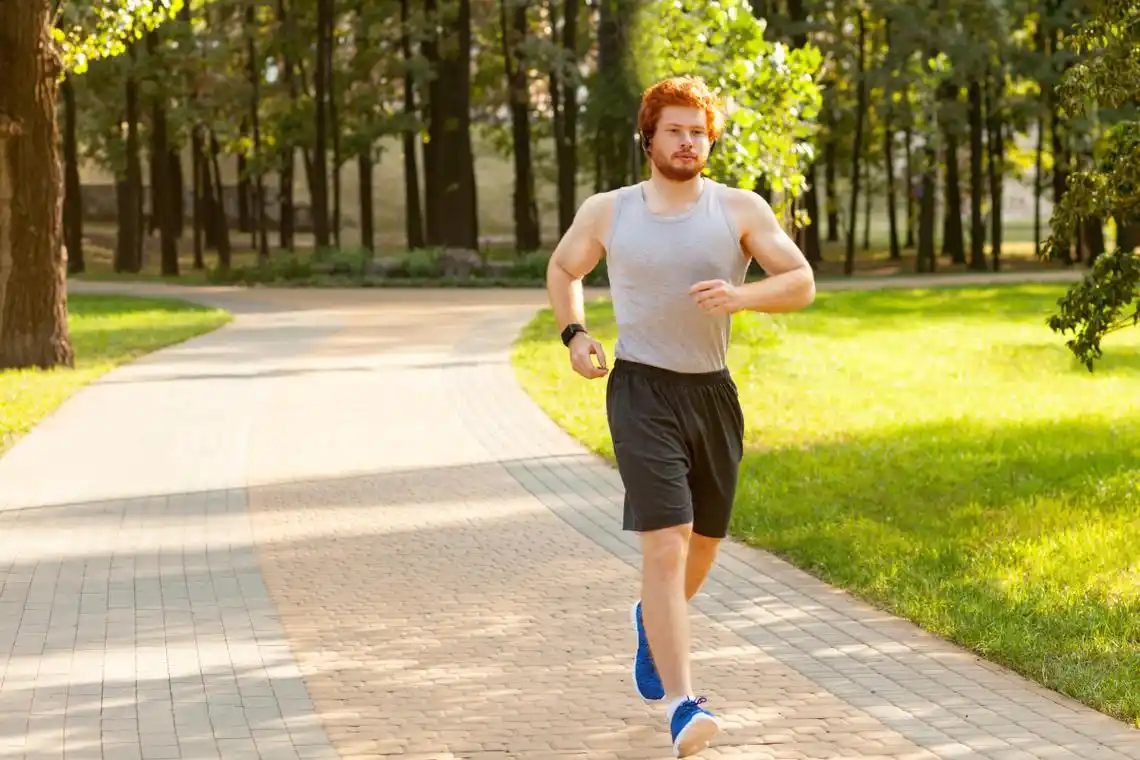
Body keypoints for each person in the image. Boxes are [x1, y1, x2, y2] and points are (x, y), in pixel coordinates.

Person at [544, 75, 817, 757]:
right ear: (649, 137)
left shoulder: (738, 208)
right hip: (641, 390)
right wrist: (575, 334)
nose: (688, 142)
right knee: (666, 542)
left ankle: (650, 620)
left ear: (710, 140)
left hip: (712, 395)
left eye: (698, 132)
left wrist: (741, 297)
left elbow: (801, 282)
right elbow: (564, 268)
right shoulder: (609, 211)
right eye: (675, 130)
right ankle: (682, 703)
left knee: (704, 546)